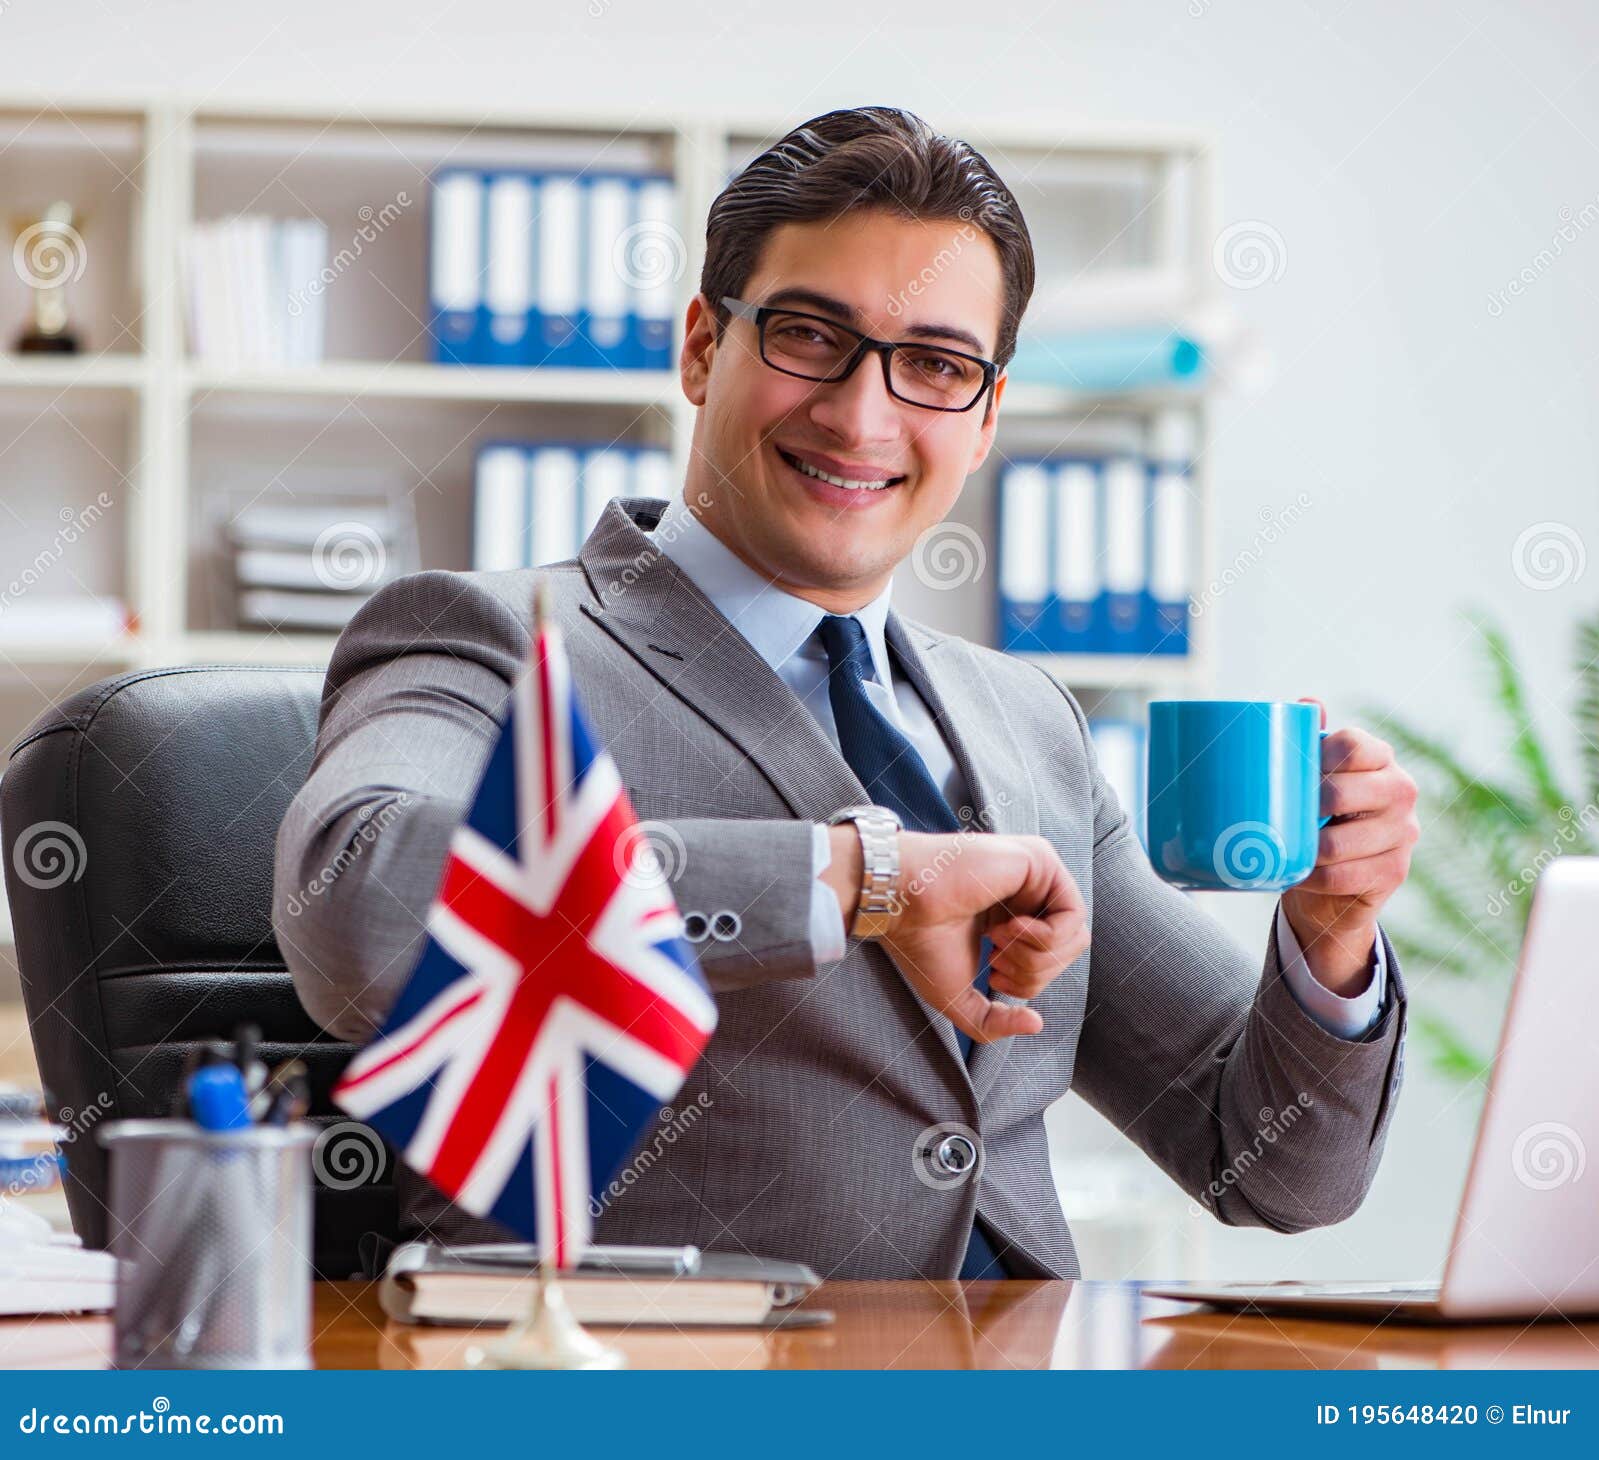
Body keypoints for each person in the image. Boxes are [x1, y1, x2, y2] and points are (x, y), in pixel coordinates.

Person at [274, 106, 1418, 1279]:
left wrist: (1330, 935)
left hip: (1026, 1366)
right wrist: (862, 877)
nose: (860, 415)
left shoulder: (1030, 724)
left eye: (936, 365)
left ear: (985, 417)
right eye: (810, 336)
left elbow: (1273, 1167)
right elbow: (358, 911)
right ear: (701, 348)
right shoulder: (494, 637)